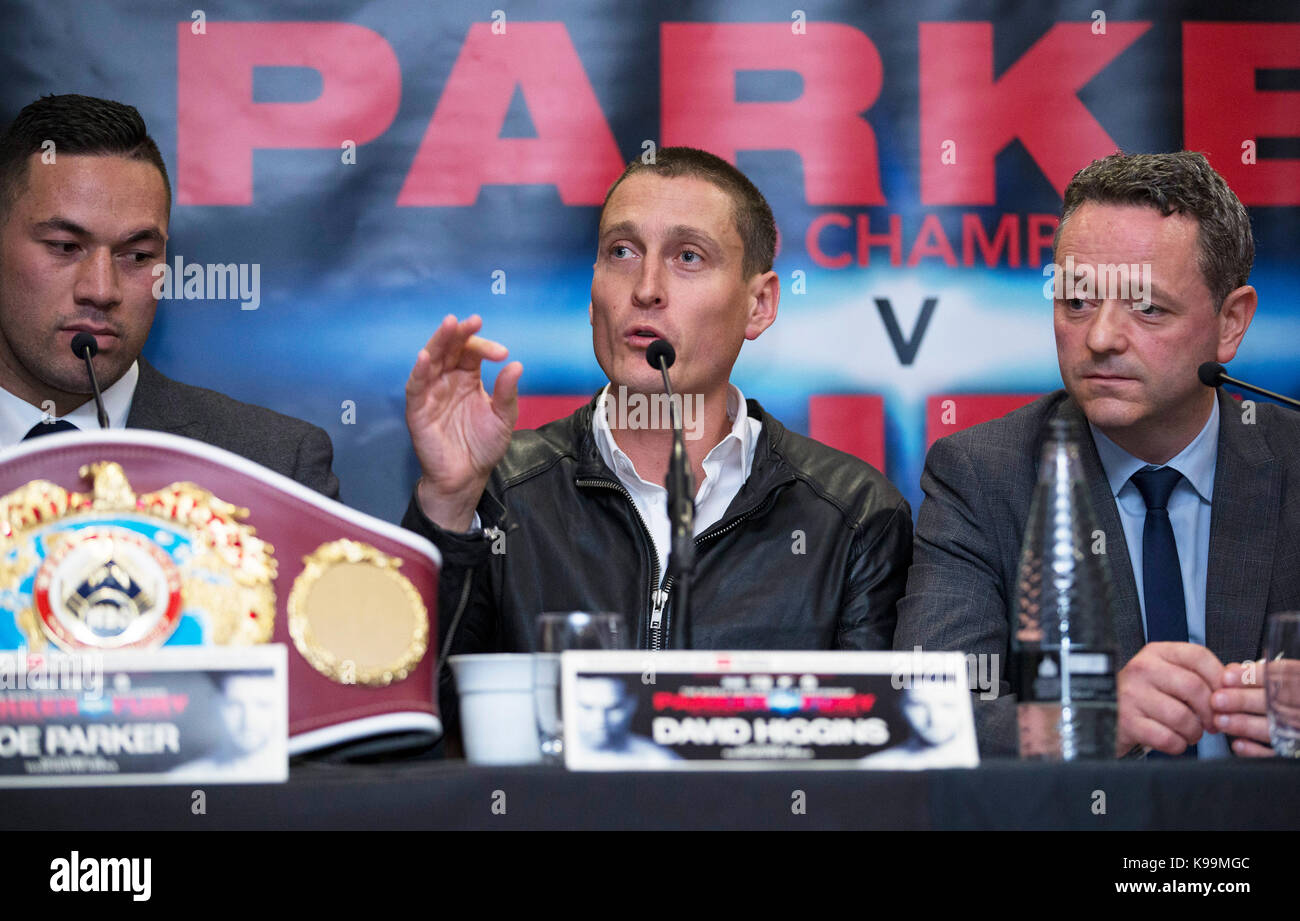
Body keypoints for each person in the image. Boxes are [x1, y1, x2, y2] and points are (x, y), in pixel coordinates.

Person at [403, 147, 911, 731]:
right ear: (592, 287)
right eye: (621, 252)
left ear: (759, 303)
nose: (645, 289)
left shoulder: (852, 516)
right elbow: (409, 731)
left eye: (688, 257)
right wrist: (446, 504)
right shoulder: (496, 494)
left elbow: (870, 766)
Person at [894, 151, 1300, 759]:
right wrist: (1088, 717)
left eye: (1148, 308)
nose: (1102, 338)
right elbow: (925, 712)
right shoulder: (982, 475)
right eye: (1077, 301)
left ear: (1231, 323)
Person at [0, 94, 338, 497]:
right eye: (64, 246)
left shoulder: (272, 467)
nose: (101, 290)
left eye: (138, 256)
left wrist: (437, 499)